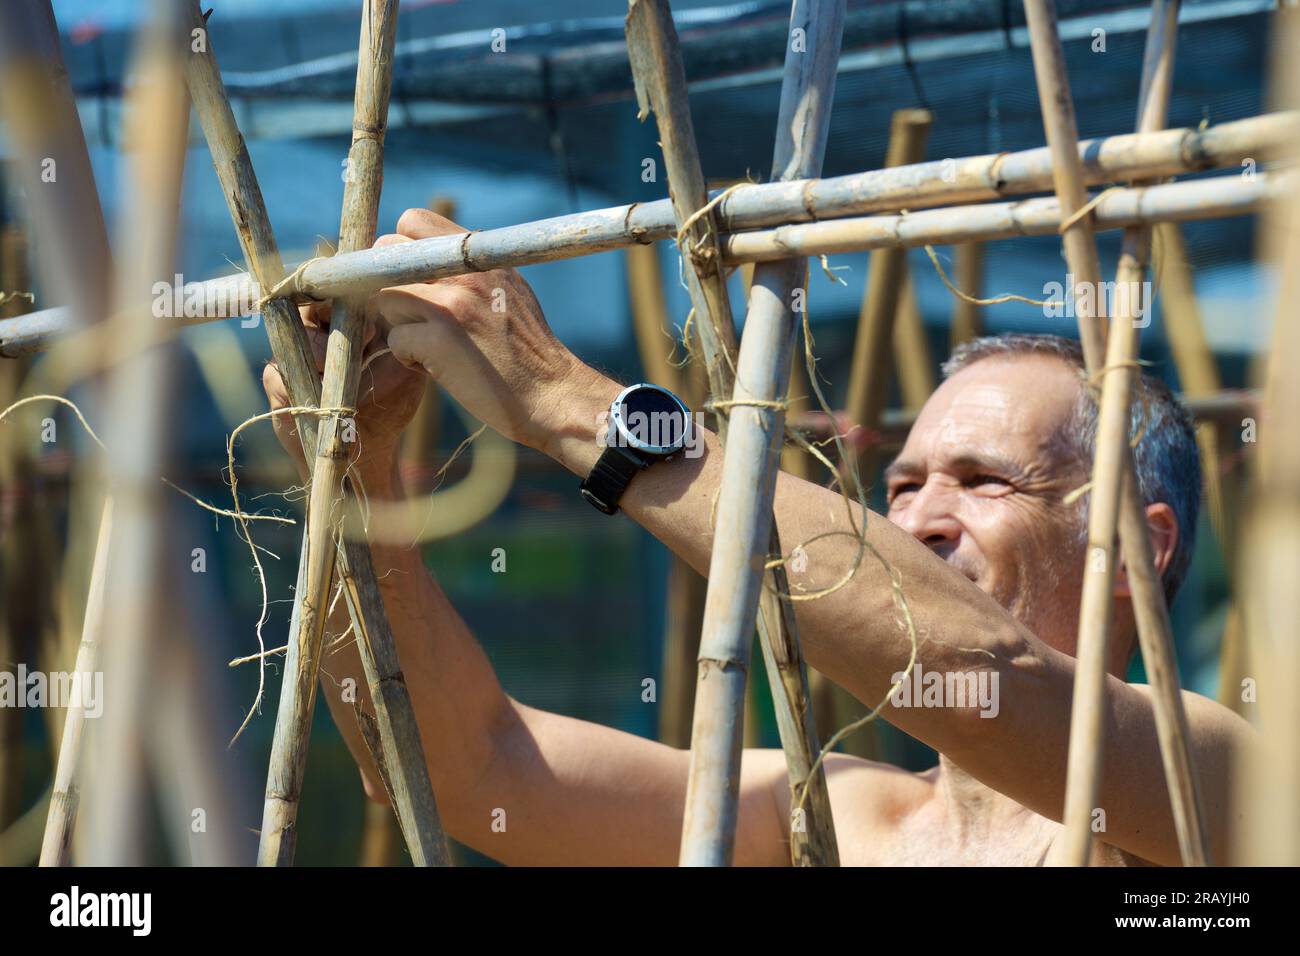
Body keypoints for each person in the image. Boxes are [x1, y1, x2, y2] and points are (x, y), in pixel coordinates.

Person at [262, 208, 1251, 866]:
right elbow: (462, 769)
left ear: (1133, 545)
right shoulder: (840, 819)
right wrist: (359, 481)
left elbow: (976, 669)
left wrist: (567, 404)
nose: (912, 520)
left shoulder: (1214, 775)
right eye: (897, 486)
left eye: (983, 480)